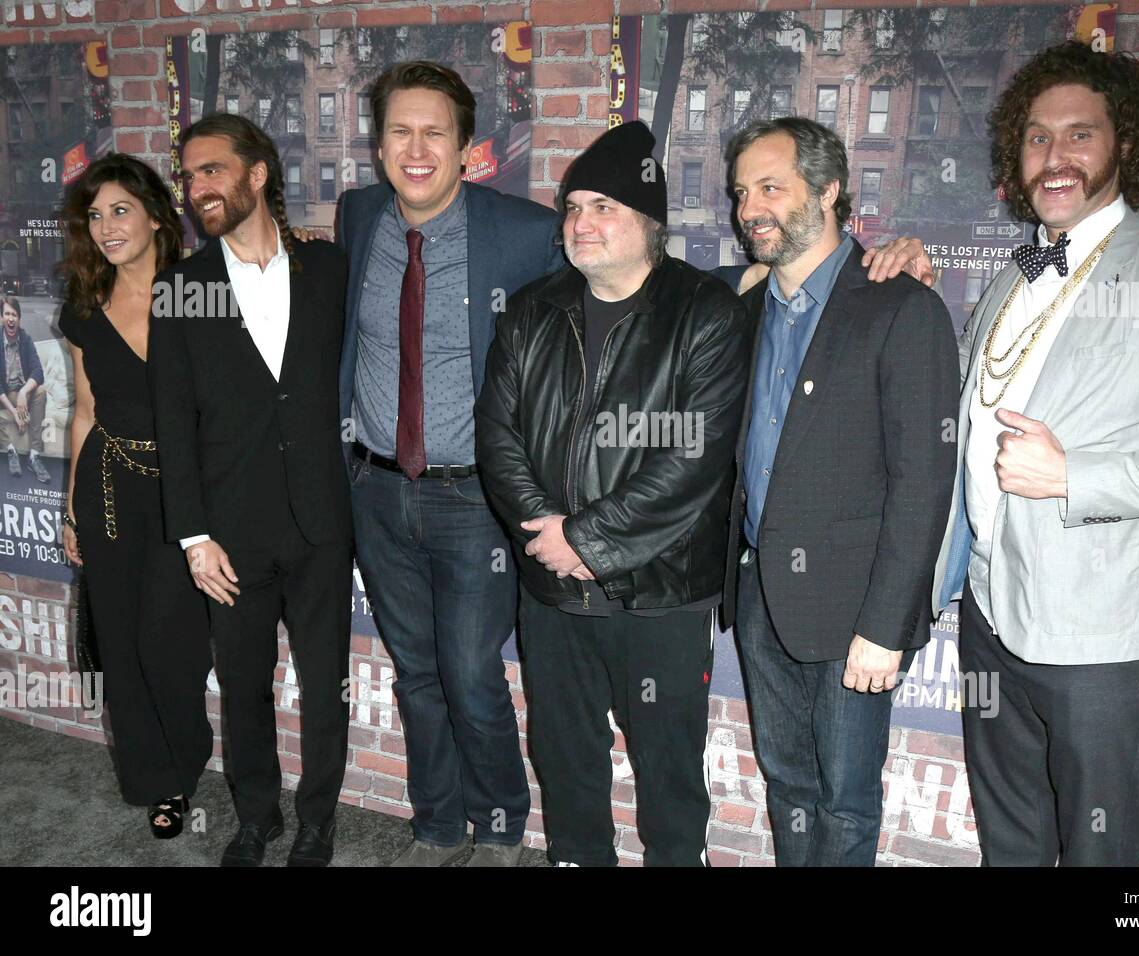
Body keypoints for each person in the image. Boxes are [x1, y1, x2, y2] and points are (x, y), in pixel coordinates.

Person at [921, 41, 1139, 865]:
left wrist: (1075, 477)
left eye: (1080, 135)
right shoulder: (1014, 275)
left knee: (1096, 851)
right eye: (1038, 138)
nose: (1056, 157)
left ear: (1124, 146)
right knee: (1009, 843)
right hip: (990, 615)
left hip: (1103, 641)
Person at [477, 121, 752, 866]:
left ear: (649, 224)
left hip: (659, 595)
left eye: (603, 207)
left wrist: (587, 541)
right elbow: (497, 435)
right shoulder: (532, 310)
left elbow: (693, 460)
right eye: (572, 207)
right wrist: (548, 534)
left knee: (667, 770)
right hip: (551, 591)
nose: (580, 224)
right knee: (566, 764)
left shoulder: (706, 314)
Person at [334, 61, 565, 867]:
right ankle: (435, 820)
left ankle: (500, 821)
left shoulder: (524, 233)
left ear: (469, 148)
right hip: (375, 488)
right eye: (401, 130)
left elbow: (618, 293)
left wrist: (746, 276)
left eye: (437, 131)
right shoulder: (358, 216)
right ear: (378, 145)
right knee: (416, 671)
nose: (417, 147)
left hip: (474, 502)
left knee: (470, 675)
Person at [720, 117, 958, 866]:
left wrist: (886, 628)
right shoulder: (744, 309)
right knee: (786, 783)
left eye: (770, 187)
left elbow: (925, 483)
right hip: (761, 595)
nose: (748, 207)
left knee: (846, 803)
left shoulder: (901, 308)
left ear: (828, 191)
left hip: (856, 609)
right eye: (740, 192)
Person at [149, 114, 353, 867]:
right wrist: (194, 537)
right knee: (242, 687)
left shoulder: (327, 270)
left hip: (321, 521)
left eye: (211, 171)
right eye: (189, 176)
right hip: (229, 534)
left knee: (324, 681)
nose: (196, 188)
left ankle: (319, 820)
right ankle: (256, 816)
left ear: (257, 174)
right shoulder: (184, 288)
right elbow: (173, 418)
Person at [57, 153, 213, 839]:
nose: (107, 226)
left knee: (171, 644)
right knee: (123, 646)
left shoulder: (204, 294)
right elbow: (84, 412)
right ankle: (160, 784)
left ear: (155, 215)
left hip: (187, 494)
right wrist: (70, 506)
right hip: (109, 490)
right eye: (94, 216)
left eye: (120, 210)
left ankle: (187, 758)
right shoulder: (85, 308)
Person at [1, 296, 52, 483]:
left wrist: (24, 392)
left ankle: (34, 455)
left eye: (14, 314)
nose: (11, 318)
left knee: (40, 392)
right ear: (1, 318)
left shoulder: (26, 339)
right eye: (7, 314)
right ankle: (11, 450)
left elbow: (38, 371)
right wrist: (15, 412)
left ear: (19, 319)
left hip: (20, 392)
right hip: (4, 395)